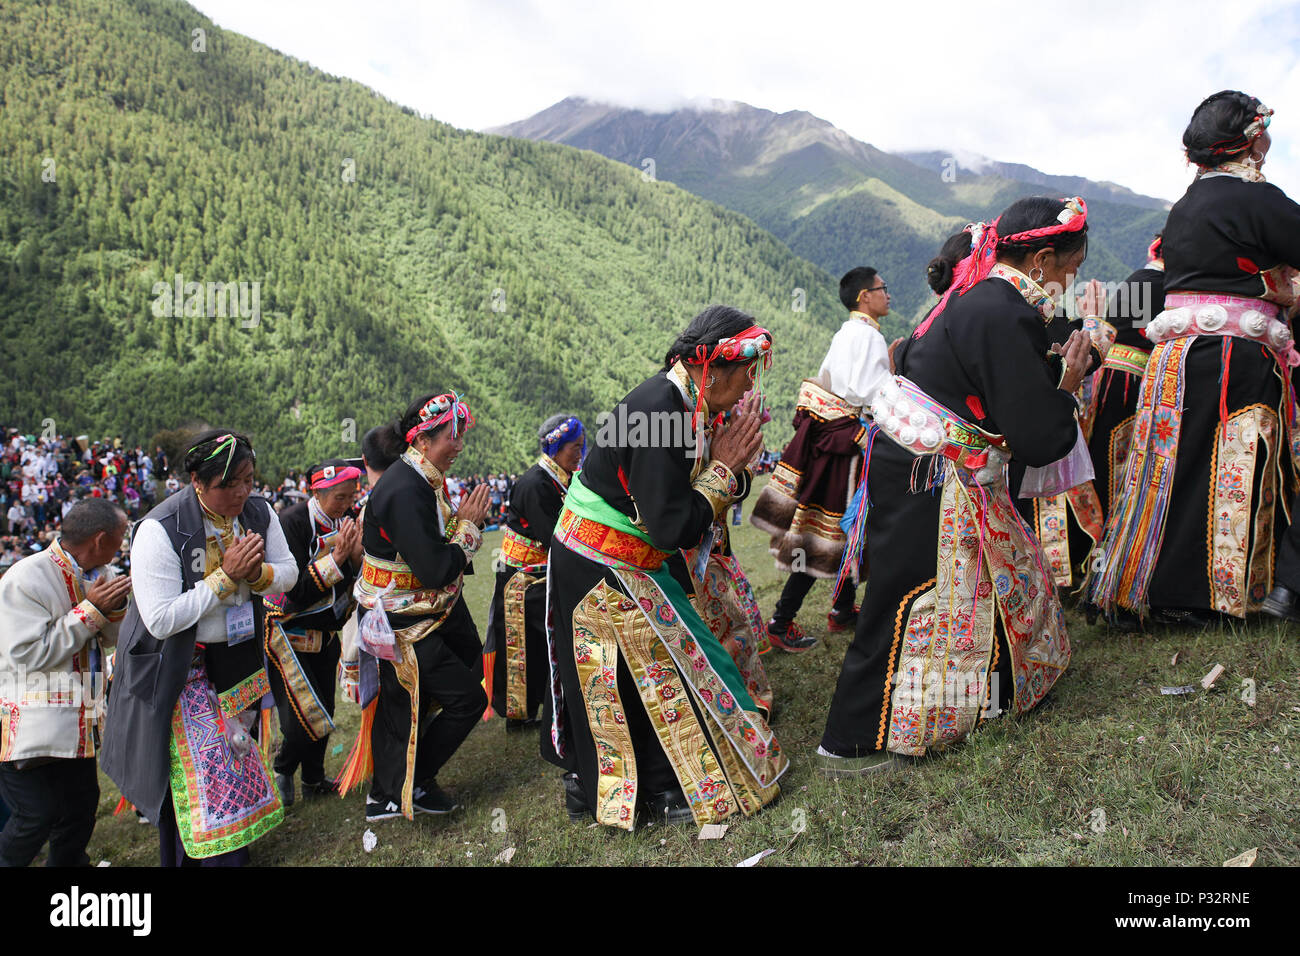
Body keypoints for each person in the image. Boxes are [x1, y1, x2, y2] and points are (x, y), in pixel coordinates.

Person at [819, 197, 1090, 773]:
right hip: (935, 472)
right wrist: (1065, 385)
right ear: (1042, 260)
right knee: (906, 595)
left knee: (978, 583)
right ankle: (852, 741)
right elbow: (1038, 435)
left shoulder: (974, 295)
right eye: (1073, 266)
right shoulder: (1002, 309)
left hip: (917, 460)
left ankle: (983, 698)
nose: (1073, 280)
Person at [543, 305, 787, 828]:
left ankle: (605, 784)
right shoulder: (660, 408)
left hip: (627, 555)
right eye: (746, 369)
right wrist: (725, 469)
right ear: (712, 367)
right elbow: (673, 526)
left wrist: (726, 469)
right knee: (642, 671)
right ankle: (652, 788)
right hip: (600, 557)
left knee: (653, 667)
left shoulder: (683, 403)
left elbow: (682, 503)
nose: (750, 384)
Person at [1090, 92, 1300, 626]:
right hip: (1232, 353)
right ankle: (1218, 594)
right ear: (1253, 140)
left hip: (1173, 358)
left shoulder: (1184, 208)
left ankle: (1148, 591)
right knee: (1235, 465)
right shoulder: (1259, 199)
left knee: (1167, 475)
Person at [102, 430, 297, 865]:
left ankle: (222, 850)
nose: (242, 492)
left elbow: (288, 572)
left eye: (248, 479)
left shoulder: (260, 512)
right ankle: (212, 858)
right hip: (180, 667)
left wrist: (257, 574)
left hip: (237, 656)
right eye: (229, 485)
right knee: (202, 770)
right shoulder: (159, 528)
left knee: (234, 756)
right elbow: (161, 618)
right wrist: (225, 579)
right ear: (196, 482)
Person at [340, 393, 490, 822]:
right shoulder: (406, 489)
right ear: (422, 440)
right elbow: (434, 569)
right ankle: (413, 781)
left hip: (420, 613)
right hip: (404, 620)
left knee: (411, 700)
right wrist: (468, 529)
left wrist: (459, 526)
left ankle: (390, 790)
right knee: (465, 701)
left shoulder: (421, 477)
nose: (459, 445)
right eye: (451, 437)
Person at [751, 268, 892, 650]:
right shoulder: (870, 339)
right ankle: (781, 622)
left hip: (833, 444)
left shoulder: (846, 334)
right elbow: (875, 395)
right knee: (828, 531)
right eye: (883, 289)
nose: (888, 296)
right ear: (865, 296)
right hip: (849, 448)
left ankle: (843, 609)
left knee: (840, 529)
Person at [0, 500, 129, 867]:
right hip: (31, 725)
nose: (121, 548)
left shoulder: (93, 572)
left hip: (75, 719)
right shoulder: (26, 578)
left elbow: (106, 639)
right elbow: (27, 656)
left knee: (80, 808)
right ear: (100, 539)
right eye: (119, 539)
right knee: (34, 817)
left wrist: (111, 610)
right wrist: (89, 613)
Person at [262, 459, 364, 806]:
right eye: (339, 497)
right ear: (315, 493)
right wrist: (337, 560)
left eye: (351, 496)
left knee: (325, 709)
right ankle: (283, 769)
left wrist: (353, 559)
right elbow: (293, 590)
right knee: (301, 718)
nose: (346, 504)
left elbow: (348, 575)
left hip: (327, 632)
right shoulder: (290, 523)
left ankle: (314, 778)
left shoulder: (343, 520)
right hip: (288, 635)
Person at [482, 414, 584, 729]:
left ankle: (542, 706)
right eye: (574, 448)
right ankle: (519, 714)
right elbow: (555, 536)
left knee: (540, 644)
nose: (579, 454)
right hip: (522, 579)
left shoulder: (557, 478)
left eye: (581, 447)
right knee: (522, 646)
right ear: (556, 448)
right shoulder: (536, 484)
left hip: (538, 574)